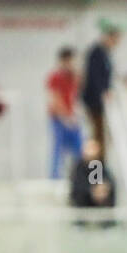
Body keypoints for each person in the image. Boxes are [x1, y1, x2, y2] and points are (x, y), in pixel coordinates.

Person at [82, 24, 121, 158]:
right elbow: (94, 75)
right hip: (95, 101)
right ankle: (96, 171)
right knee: (97, 136)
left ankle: (100, 166)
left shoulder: (105, 53)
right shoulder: (96, 52)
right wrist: (103, 92)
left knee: (103, 136)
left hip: (101, 102)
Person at [46, 47, 82, 179]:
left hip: (73, 118)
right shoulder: (55, 77)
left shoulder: (74, 77)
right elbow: (55, 99)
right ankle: (55, 178)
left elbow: (75, 97)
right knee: (58, 149)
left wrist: (74, 115)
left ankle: (80, 178)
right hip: (58, 119)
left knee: (79, 149)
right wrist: (65, 117)